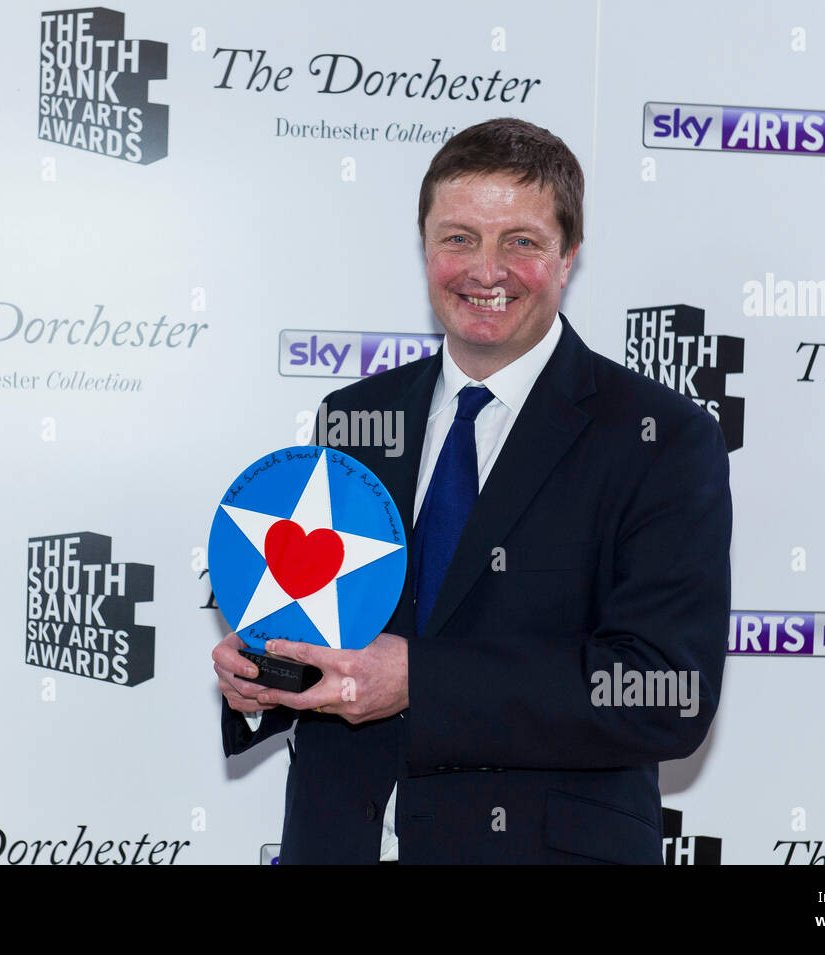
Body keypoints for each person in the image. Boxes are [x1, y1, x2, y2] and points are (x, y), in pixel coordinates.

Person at [212, 117, 731, 864]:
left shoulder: (661, 438)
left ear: (568, 256)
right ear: (425, 247)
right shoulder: (355, 416)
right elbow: (336, 637)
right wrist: (265, 674)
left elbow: (665, 690)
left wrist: (420, 681)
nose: (486, 271)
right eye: (459, 238)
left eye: (521, 241)